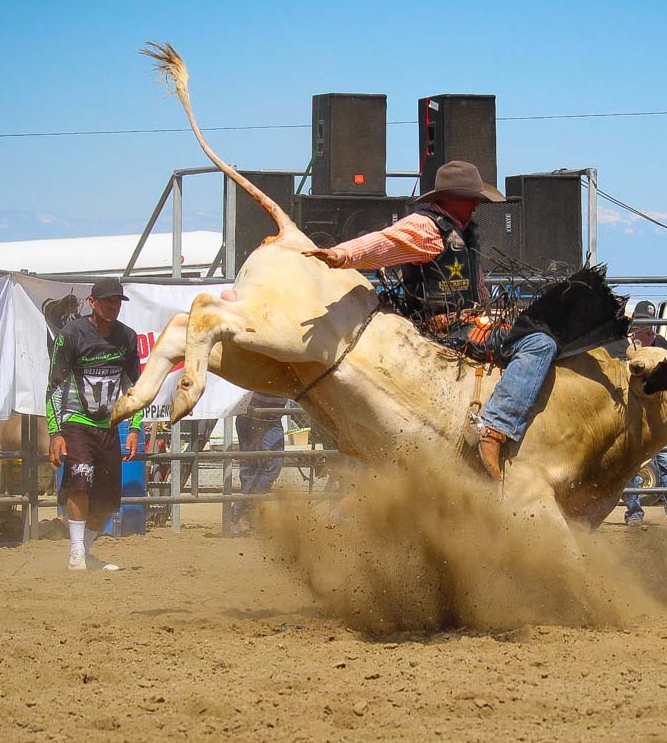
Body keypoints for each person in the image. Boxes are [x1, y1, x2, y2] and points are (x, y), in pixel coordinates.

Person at [303, 160, 557, 481]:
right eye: (472, 198)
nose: (477, 205)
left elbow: (475, 286)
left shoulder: (463, 231)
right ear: (451, 199)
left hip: (469, 322)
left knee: (534, 331)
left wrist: (490, 312)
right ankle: (496, 427)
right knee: (539, 343)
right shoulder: (427, 227)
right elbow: (385, 242)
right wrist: (343, 255)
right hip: (447, 328)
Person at [46, 277, 143, 571]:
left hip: (108, 425)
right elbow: (53, 386)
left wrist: (135, 428)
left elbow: (135, 387)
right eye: (107, 301)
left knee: (107, 499)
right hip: (76, 421)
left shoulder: (127, 337)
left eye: (117, 302)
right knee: (80, 479)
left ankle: (84, 552)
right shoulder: (71, 334)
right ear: (92, 302)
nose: (113, 306)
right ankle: (76, 552)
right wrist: (55, 432)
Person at [621, 301, 667, 528]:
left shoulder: (661, 344)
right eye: (641, 322)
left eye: (649, 323)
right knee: (630, 466)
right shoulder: (623, 345)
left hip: (658, 414)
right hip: (632, 414)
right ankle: (634, 513)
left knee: (666, 461)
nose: (645, 327)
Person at [231, 392, 289, 533]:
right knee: (251, 467)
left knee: (270, 466)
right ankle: (243, 516)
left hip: (272, 417)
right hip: (252, 416)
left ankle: (239, 514)